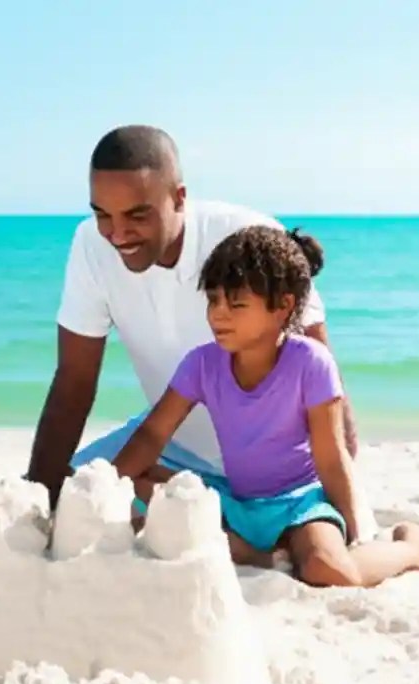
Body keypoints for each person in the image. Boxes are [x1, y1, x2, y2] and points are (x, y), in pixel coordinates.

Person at [26, 124, 363, 518]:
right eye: (103, 214)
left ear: (179, 197)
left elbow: (320, 368)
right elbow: (74, 381)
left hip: (277, 479)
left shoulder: (246, 239)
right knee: (64, 504)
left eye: (137, 214)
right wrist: (40, 501)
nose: (117, 234)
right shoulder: (91, 245)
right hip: (168, 450)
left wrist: (342, 495)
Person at [112, 226, 419, 585]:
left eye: (236, 303)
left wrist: (352, 535)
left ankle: (415, 547)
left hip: (301, 504)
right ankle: (264, 558)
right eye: (213, 300)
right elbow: (152, 434)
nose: (218, 314)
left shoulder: (310, 362)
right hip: (237, 501)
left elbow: (330, 456)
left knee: (328, 569)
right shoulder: (202, 364)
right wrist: (105, 484)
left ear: (283, 306)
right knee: (146, 481)